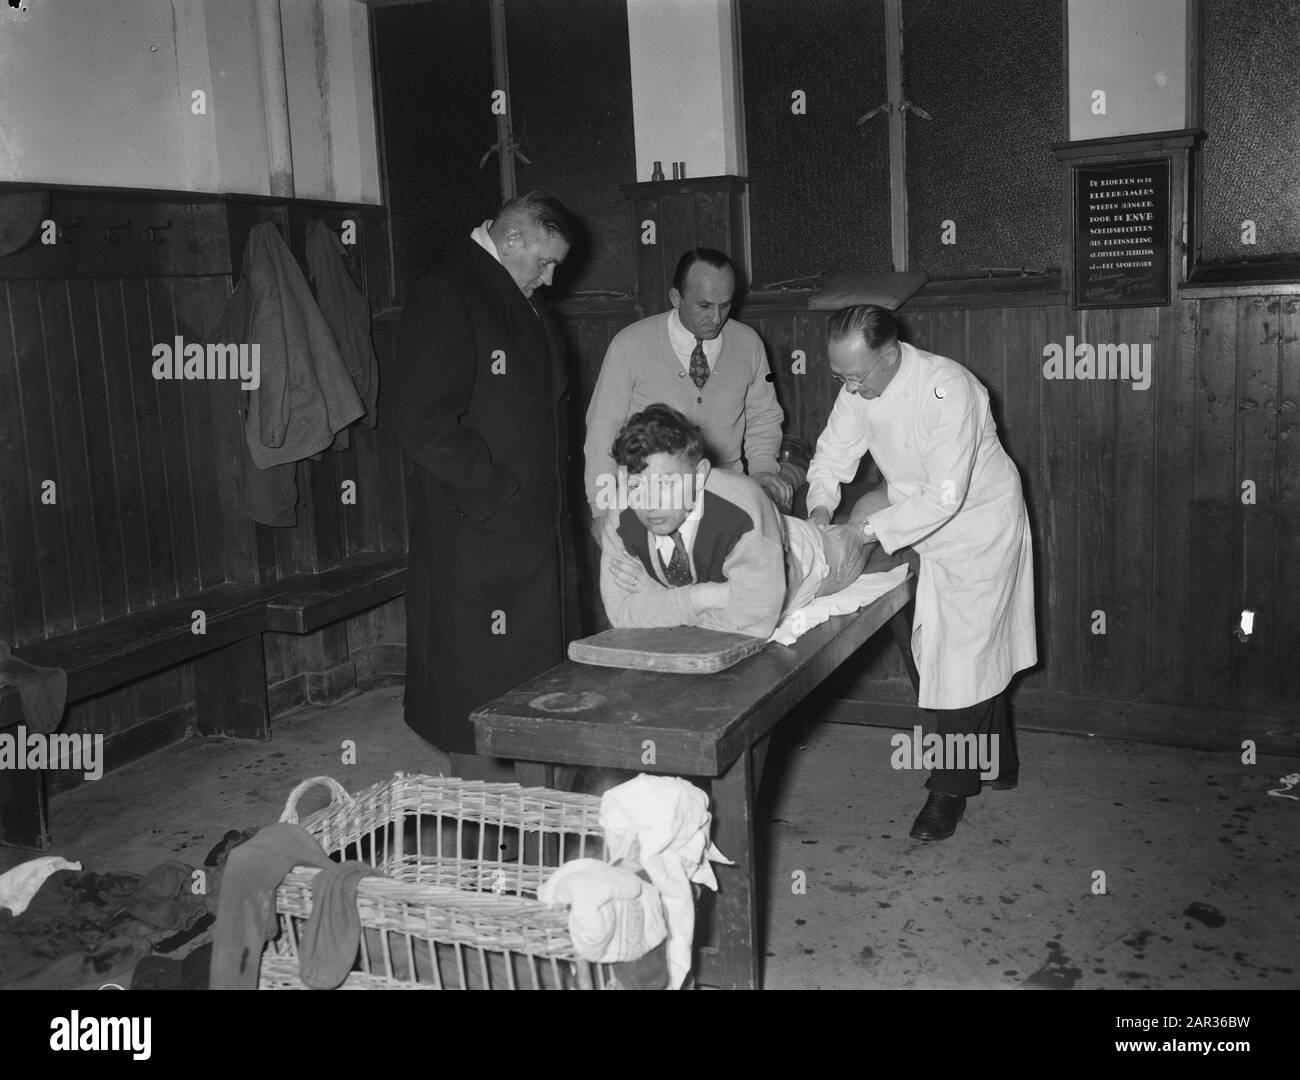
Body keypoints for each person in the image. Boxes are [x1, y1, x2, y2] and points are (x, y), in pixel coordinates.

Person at [805, 304, 1037, 842]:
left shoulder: (948, 388)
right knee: (941, 650)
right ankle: (997, 761)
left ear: (891, 354)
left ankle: (948, 789)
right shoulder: (857, 388)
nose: (849, 387)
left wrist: (860, 533)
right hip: (912, 517)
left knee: (961, 657)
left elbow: (944, 497)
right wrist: (820, 511)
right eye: (839, 376)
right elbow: (832, 456)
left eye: (856, 375)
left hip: (976, 523)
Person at [396, 191, 579, 782]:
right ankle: (487, 835)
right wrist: (494, 493)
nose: (550, 279)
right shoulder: (446, 291)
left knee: (531, 685)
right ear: (514, 239)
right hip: (478, 534)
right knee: (478, 695)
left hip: (527, 531)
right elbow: (423, 423)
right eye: (544, 262)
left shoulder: (512, 290)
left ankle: (535, 818)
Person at [583, 249, 802, 545]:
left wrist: (763, 471)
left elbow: (764, 416)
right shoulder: (629, 344)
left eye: (725, 305)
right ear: (676, 297)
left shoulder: (749, 343)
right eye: (704, 305)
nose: (716, 318)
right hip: (649, 502)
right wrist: (601, 507)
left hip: (725, 498)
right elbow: (602, 432)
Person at [599, 404, 875, 638]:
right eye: (636, 485)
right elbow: (620, 615)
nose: (650, 503)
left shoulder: (742, 507)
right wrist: (705, 596)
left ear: (699, 476)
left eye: (667, 484)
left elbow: (754, 624)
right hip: (754, 550)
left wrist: (656, 595)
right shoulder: (622, 512)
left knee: (856, 538)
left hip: (802, 558)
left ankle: (869, 521)